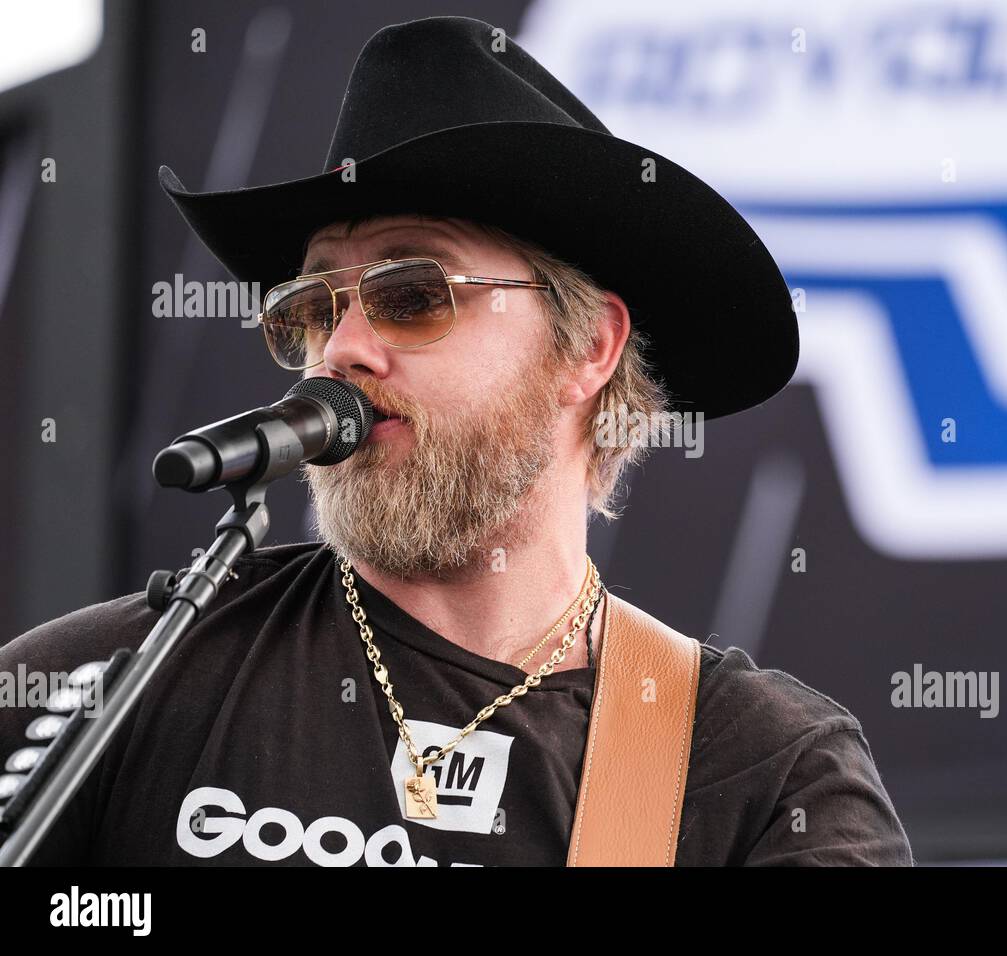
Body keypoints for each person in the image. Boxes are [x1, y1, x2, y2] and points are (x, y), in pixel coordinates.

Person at [0, 15, 911, 866]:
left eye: (411, 294)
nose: (343, 348)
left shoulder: (763, 775)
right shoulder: (102, 686)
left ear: (588, 346)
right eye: (313, 309)